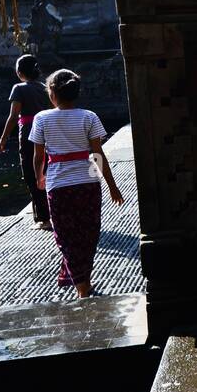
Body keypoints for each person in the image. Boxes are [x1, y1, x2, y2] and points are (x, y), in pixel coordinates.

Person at [29, 69, 123, 298]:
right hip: (88, 181)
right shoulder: (89, 116)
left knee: (65, 236)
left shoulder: (42, 118)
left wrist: (39, 177)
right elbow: (98, 155)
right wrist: (112, 185)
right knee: (88, 233)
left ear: (52, 93)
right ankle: (85, 283)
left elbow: (38, 156)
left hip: (58, 184)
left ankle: (82, 286)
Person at [0, 54, 52, 230]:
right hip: (47, 132)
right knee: (46, 171)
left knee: (31, 174)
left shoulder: (18, 88)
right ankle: (50, 213)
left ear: (19, 72)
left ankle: (43, 219)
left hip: (28, 134)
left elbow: (13, 116)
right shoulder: (44, 88)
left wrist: (3, 139)